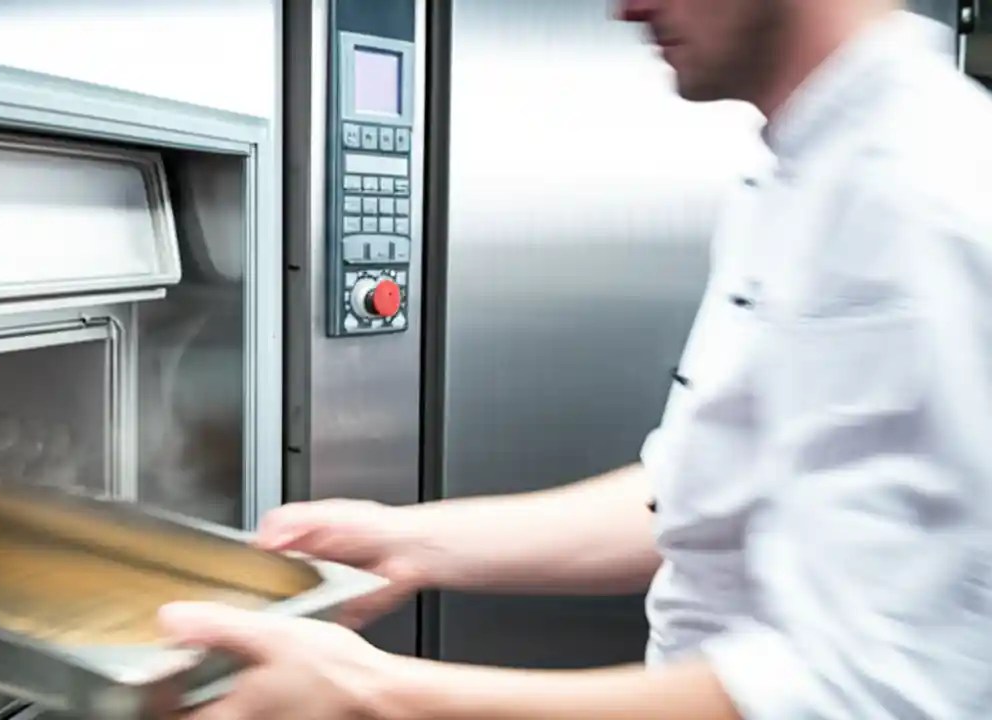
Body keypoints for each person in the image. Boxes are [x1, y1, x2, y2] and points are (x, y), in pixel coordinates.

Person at [158, 0, 992, 717]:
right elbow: (706, 491)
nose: (623, 8)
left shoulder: (916, 195)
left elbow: (871, 697)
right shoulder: (806, 172)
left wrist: (376, 695)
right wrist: (411, 544)